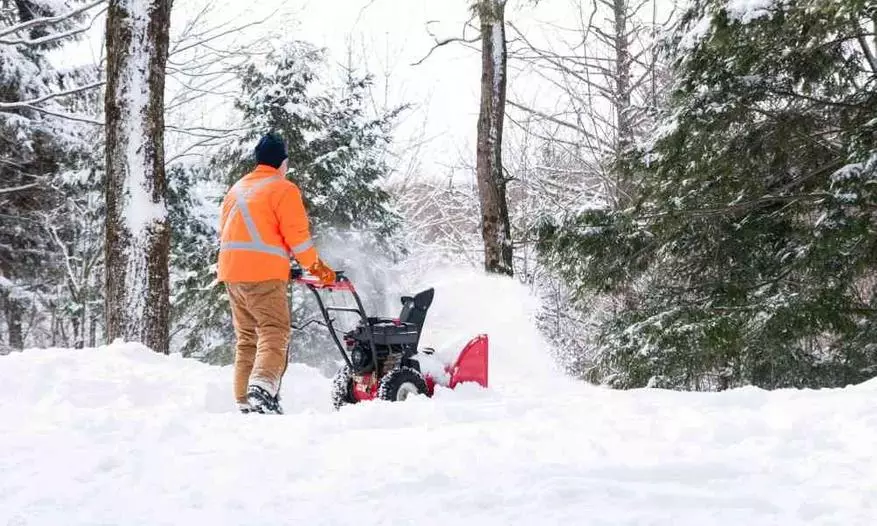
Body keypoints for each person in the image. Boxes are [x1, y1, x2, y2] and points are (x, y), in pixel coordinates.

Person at [217, 132, 336, 414]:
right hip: (263, 274)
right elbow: (297, 236)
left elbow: (231, 231)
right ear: (282, 162)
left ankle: (244, 399)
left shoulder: (237, 189)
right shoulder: (283, 188)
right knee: (274, 330)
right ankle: (262, 389)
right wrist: (316, 268)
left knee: (247, 337)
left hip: (232, 272)